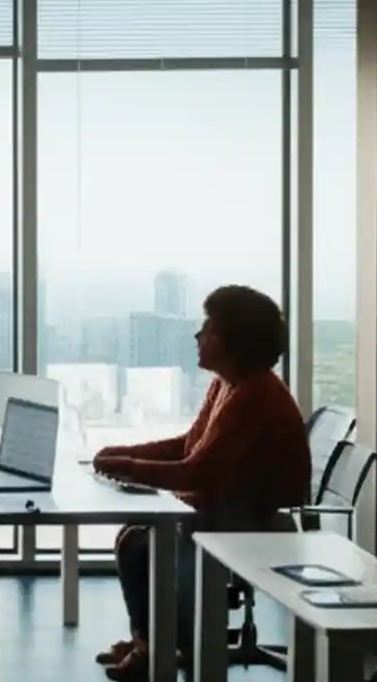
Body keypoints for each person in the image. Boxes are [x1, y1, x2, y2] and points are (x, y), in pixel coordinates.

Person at [92, 285, 309, 681]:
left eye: (208, 329)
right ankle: (149, 641)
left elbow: (195, 472)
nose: (198, 336)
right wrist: (122, 455)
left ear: (234, 342)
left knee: (138, 542)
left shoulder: (255, 395)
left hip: (250, 521)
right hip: (226, 509)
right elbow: (187, 445)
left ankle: (153, 647)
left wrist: (124, 465)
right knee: (136, 536)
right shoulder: (226, 384)